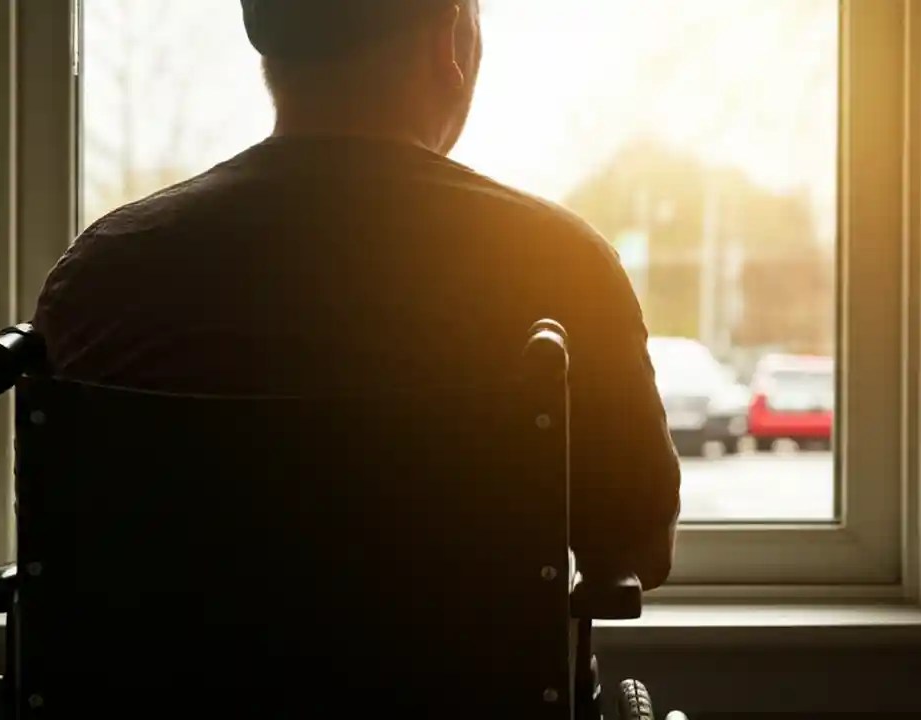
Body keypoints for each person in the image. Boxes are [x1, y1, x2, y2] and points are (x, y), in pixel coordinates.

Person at [33, 0, 681, 589]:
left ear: (274, 53)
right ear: (448, 46)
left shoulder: (104, 273)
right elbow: (639, 549)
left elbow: (57, 551)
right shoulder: (558, 267)